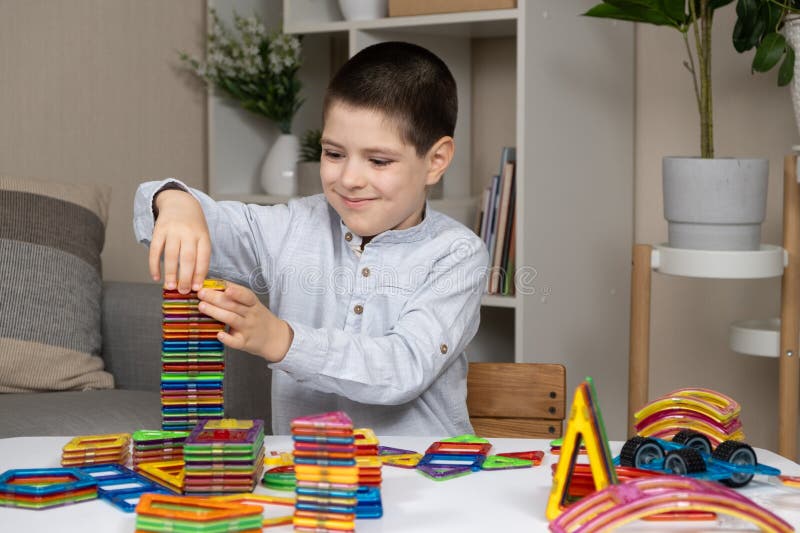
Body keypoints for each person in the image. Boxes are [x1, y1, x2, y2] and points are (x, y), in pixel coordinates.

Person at [134, 41, 489, 436]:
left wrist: (281, 339)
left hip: (425, 476)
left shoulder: (458, 254)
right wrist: (176, 201)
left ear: (435, 161)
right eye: (334, 154)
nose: (350, 179)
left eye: (378, 161)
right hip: (307, 476)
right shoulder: (295, 225)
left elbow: (403, 367)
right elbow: (191, 219)